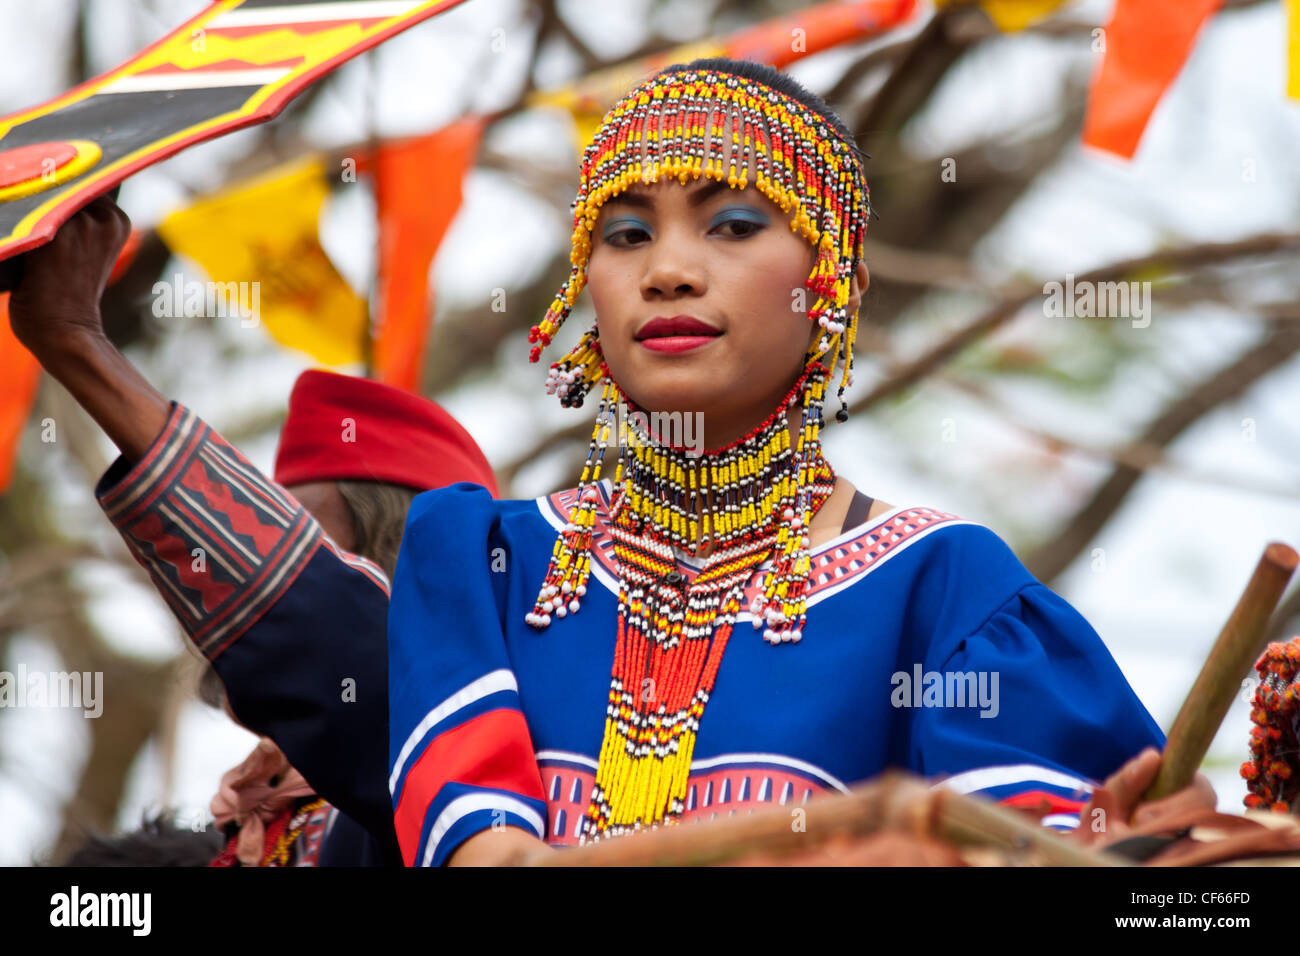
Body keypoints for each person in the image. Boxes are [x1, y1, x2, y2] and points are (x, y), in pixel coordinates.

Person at [6, 56, 1214, 869]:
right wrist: (77, 348)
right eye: (625, 234)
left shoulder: (941, 590)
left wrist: (1163, 870)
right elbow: (325, 648)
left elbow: (1056, 842)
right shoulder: (479, 561)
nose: (668, 269)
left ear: (828, 286)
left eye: (733, 224)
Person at [201, 368, 500, 866]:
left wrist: (79, 345)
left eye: (308, 550)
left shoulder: (439, 771)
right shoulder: (265, 807)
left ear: (400, 558)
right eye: (274, 547)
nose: (267, 574)